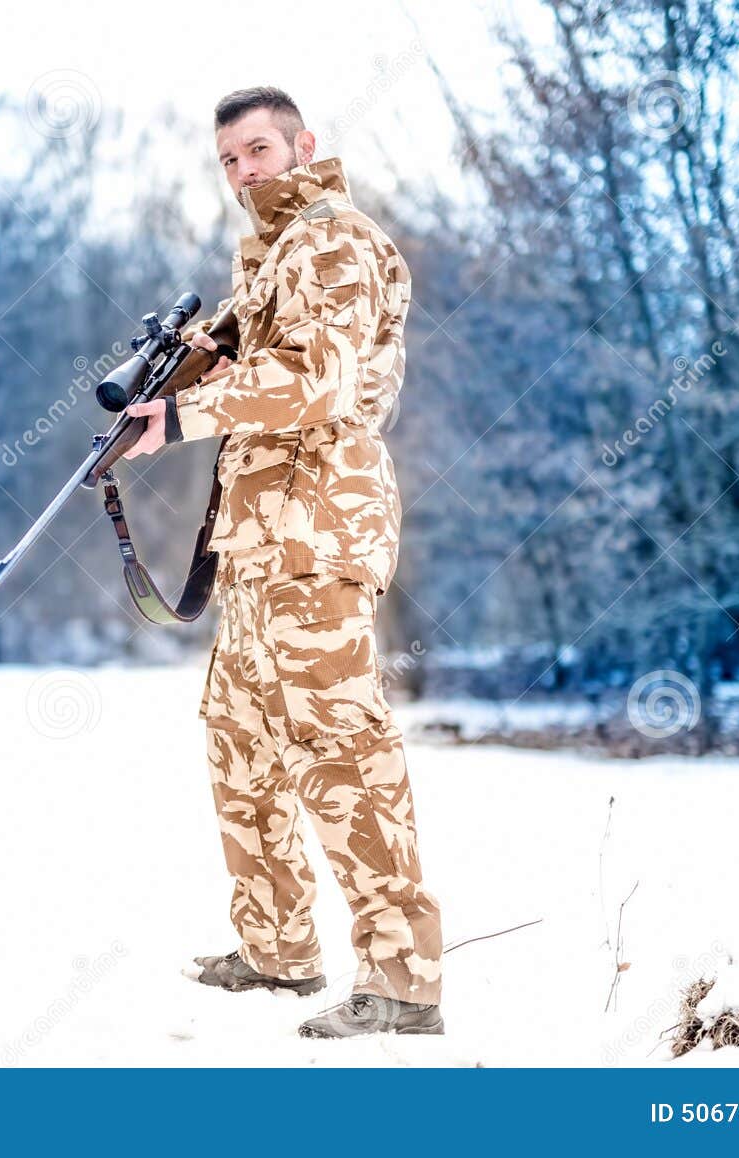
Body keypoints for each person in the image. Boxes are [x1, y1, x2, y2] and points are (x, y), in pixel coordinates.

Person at [123, 86, 443, 1038]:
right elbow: (266, 372)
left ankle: (404, 983)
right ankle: (276, 952)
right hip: (260, 543)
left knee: (341, 751)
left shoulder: (334, 240)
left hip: (319, 532)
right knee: (241, 741)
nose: (243, 172)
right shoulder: (266, 261)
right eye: (228, 160)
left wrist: (182, 414)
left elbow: (320, 379)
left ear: (304, 145)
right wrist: (197, 364)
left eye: (258, 151)